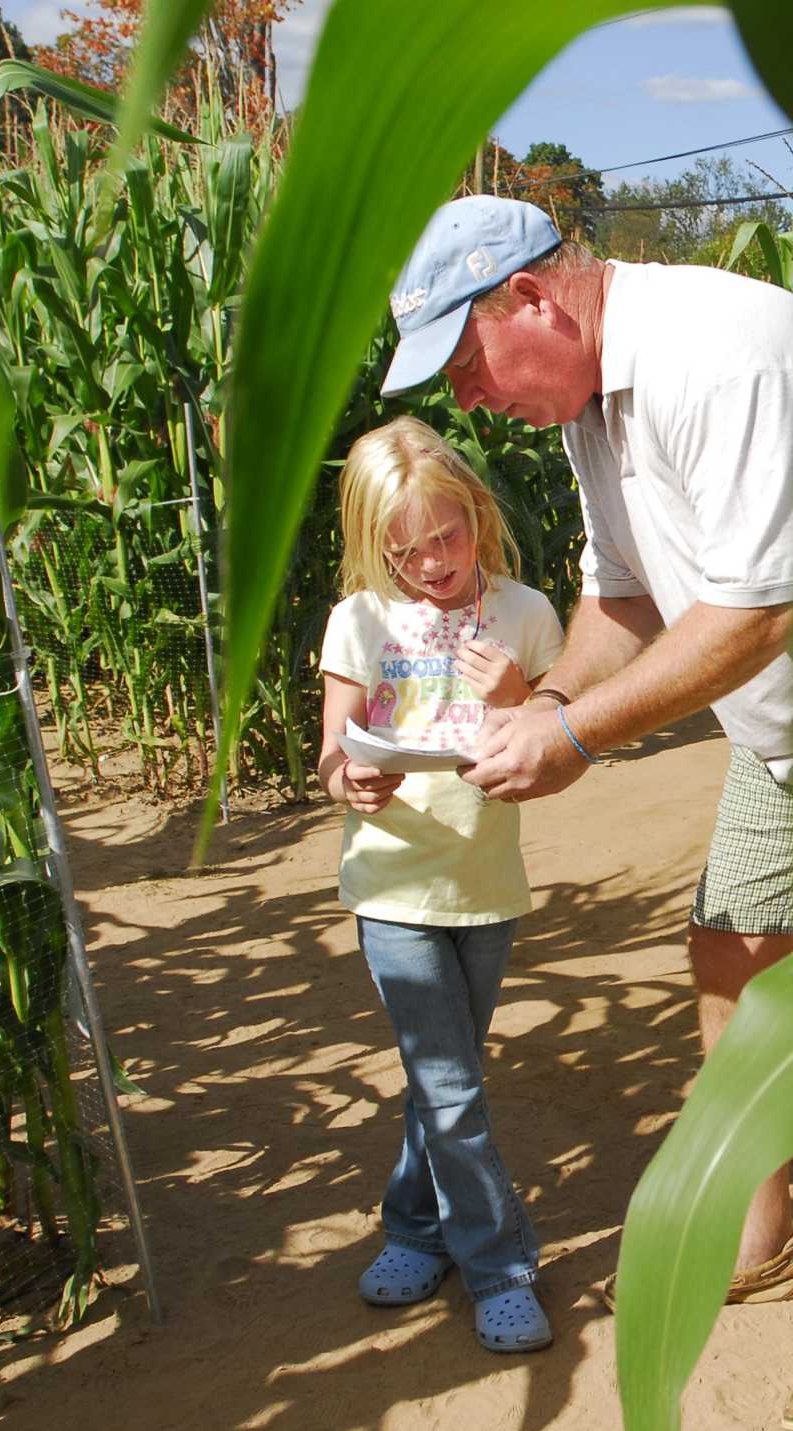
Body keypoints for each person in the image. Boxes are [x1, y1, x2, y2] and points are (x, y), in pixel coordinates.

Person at [378, 195, 793, 1431]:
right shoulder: (592, 404)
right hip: (783, 733)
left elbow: (759, 615)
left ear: (529, 298)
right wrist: (556, 694)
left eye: (465, 363)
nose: (467, 401)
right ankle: (763, 1226)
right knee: (729, 947)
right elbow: (623, 594)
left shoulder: (718, 350)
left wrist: (573, 735)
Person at [316, 414, 565, 1354]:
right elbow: (333, 755)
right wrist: (351, 778)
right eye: (405, 549)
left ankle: (414, 1230)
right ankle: (502, 1267)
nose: (431, 561)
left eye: (447, 536)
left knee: (440, 1085)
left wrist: (522, 700)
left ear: (477, 512)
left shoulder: (528, 614)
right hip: (390, 885)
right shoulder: (359, 619)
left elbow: (562, 736)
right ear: (375, 547)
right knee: (453, 1086)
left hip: (486, 883)